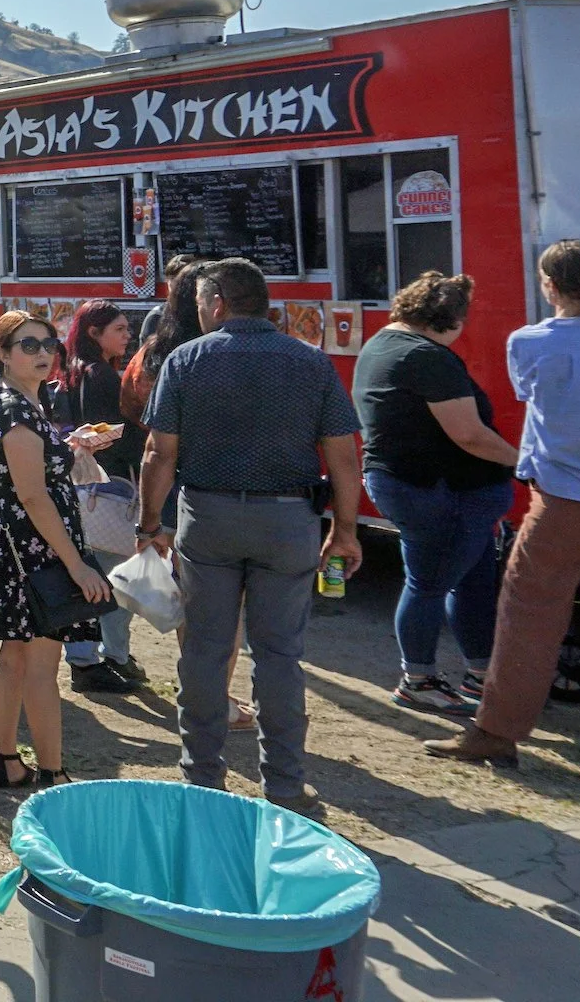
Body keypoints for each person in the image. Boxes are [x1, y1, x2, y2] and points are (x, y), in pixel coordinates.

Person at [138, 258, 362, 809]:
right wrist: (346, 530)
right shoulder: (312, 362)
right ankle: (284, 784)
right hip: (289, 522)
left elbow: (158, 452)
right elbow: (343, 456)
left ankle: (202, 776)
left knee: (206, 651)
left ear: (216, 304)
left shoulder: (188, 360)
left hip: (208, 519)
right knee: (280, 655)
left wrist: (148, 523)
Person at [428, 240, 580, 769]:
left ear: (548, 285)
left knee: (530, 611)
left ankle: (498, 733)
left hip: (565, 491)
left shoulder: (528, 341)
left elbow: (529, 396)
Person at [349, 272, 519, 713]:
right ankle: (418, 680)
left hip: (418, 484)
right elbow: (469, 435)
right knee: (428, 584)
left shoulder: (382, 344)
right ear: (449, 320)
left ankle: (481, 677)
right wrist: (525, 462)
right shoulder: (427, 357)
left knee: (471, 579)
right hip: (431, 489)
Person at [0, 310, 114, 789]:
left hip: (18, 548)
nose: (43, 353)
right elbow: (31, 494)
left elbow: (28, 474)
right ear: (4, 354)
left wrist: (73, 445)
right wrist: (77, 566)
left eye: (49, 344)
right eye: (28, 345)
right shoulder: (14, 408)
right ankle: (53, 773)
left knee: (15, 657)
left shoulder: (20, 403)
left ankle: (6, 761)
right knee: (42, 667)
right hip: (33, 553)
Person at [57, 300, 145, 694]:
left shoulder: (70, 375)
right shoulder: (102, 377)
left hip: (80, 487)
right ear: (95, 333)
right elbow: (111, 431)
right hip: (110, 489)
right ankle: (104, 659)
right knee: (116, 580)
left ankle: (96, 657)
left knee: (89, 577)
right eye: (120, 329)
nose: (128, 336)